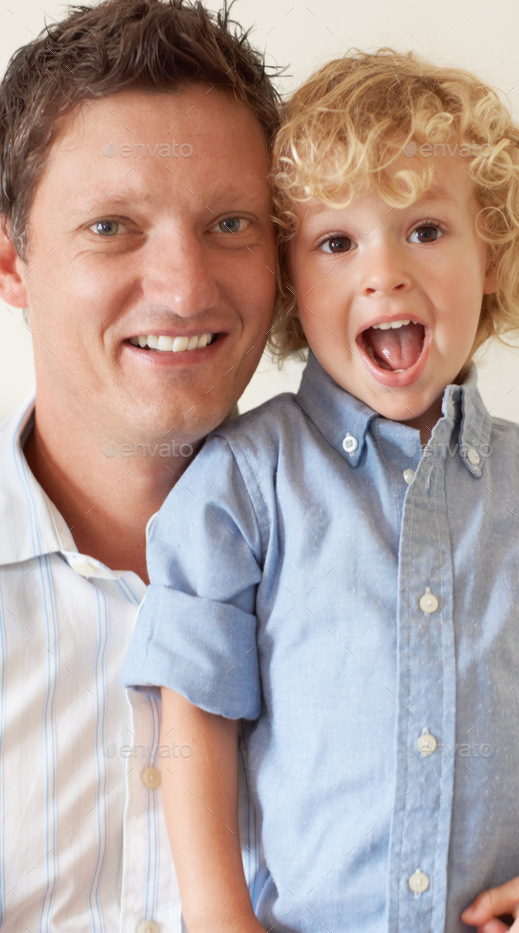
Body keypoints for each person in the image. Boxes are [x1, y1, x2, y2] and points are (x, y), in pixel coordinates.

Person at [123, 48, 519, 933]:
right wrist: (220, 917)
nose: (385, 273)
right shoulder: (242, 482)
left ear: (491, 252)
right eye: (337, 243)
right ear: (293, 281)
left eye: (425, 229)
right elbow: (195, 713)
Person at [0, 0, 280, 929]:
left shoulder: (428, 568)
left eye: (232, 222)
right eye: (112, 226)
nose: (185, 287)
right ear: (13, 261)